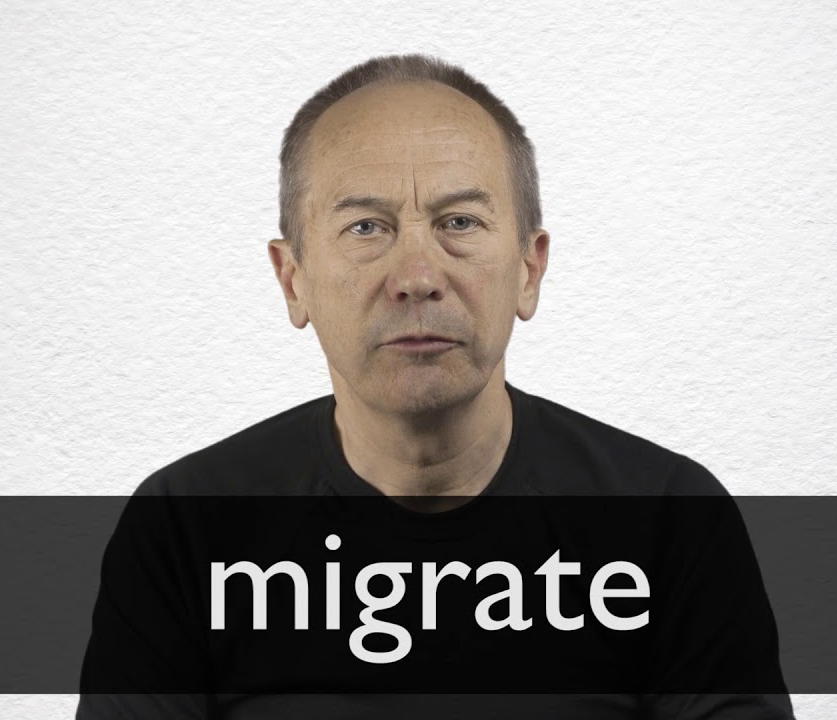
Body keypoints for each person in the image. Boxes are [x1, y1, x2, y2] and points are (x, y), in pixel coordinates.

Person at [77, 53, 793, 719]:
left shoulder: (668, 521)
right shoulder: (186, 530)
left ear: (529, 269)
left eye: (460, 222)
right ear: (293, 279)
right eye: (366, 227)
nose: (417, 277)